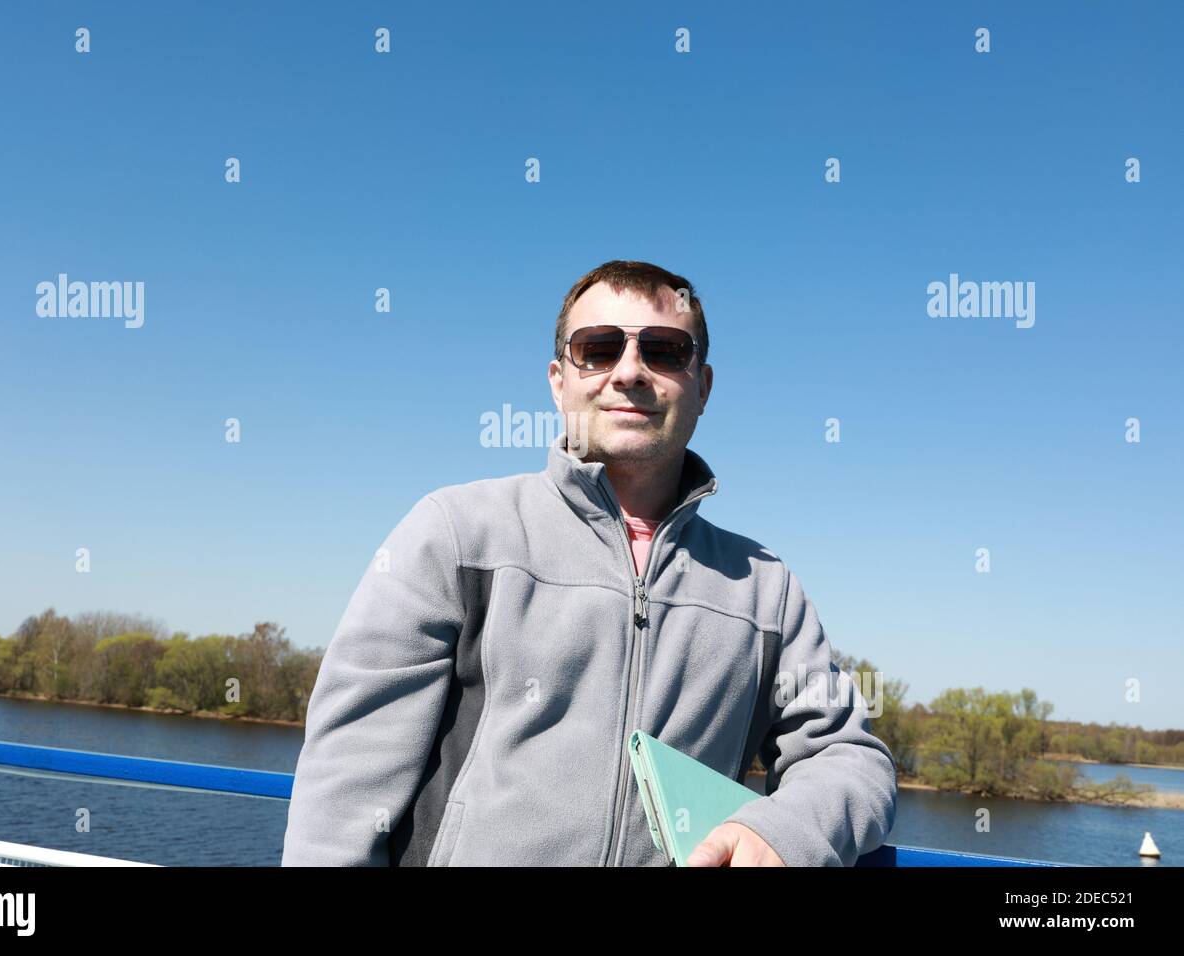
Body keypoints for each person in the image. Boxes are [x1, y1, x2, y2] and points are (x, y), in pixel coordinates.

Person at [282, 260, 897, 866]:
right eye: (599, 348)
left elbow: (850, 757)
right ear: (558, 380)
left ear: (703, 386)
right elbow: (345, 786)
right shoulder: (455, 533)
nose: (629, 372)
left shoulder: (766, 589)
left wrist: (785, 829)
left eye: (664, 350)